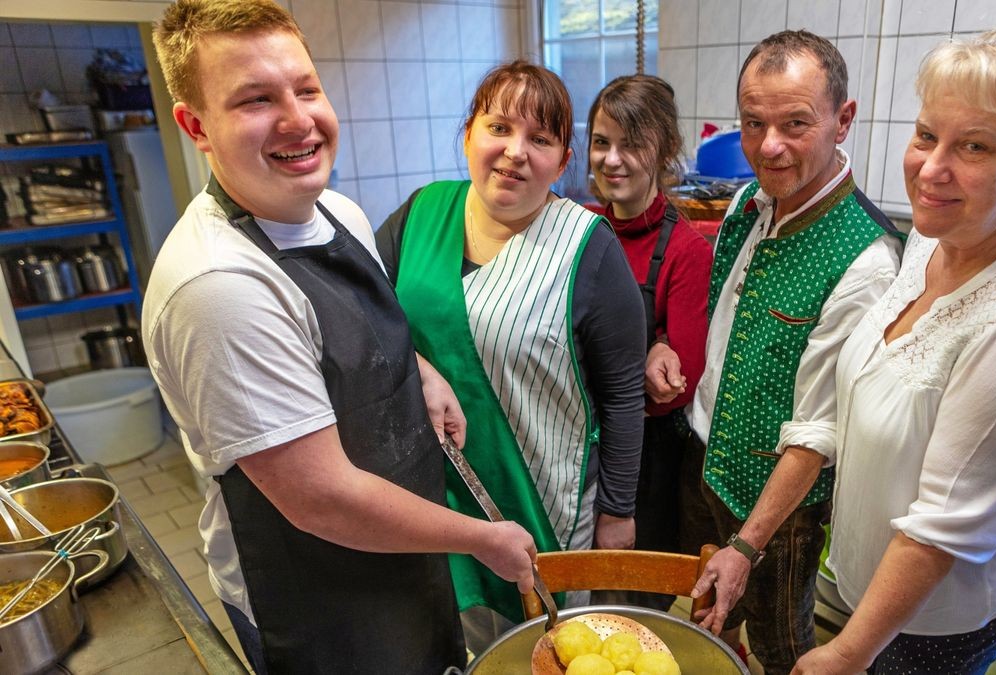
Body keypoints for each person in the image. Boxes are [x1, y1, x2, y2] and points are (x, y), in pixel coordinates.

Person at [144, 2, 536, 671]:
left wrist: (421, 370)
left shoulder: (337, 210)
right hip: (314, 591)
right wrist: (481, 538)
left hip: (397, 546)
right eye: (256, 99)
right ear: (195, 125)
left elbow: (345, 337)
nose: (298, 119)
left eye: (306, 88)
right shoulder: (217, 286)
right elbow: (319, 498)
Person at [788, 22, 996, 674]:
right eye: (927, 135)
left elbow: (943, 528)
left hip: (937, 619)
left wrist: (849, 651)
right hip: (872, 585)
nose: (932, 169)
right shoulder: (938, 234)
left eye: (974, 146)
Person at [375, 61, 646, 645]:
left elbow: (624, 394)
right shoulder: (420, 215)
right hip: (425, 496)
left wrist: (618, 512)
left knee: (547, 646)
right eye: (499, 128)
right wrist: (419, 369)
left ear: (563, 162)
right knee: (453, 641)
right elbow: (366, 320)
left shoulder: (588, 249)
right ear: (469, 133)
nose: (515, 152)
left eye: (540, 139)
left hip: (543, 499)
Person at [676, 30, 903, 674]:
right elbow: (726, 324)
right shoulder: (750, 202)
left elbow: (820, 429)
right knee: (710, 623)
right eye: (753, 123)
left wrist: (748, 546)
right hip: (707, 458)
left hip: (778, 509)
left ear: (843, 120)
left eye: (795, 124)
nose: (768, 146)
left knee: (784, 650)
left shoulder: (866, 260)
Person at [584, 75, 714, 611]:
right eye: (601, 142)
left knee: (637, 598)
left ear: (663, 150)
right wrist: (649, 346)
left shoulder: (687, 250)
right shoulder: (582, 228)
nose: (612, 160)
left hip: (646, 462)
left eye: (631, 144)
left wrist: (655, 353)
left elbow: (675, 389)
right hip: (578, 441)